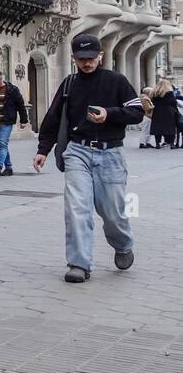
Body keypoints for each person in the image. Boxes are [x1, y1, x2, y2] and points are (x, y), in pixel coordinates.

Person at [34, 33, 143, 283]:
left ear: (100, 56)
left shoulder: (117, 81)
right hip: (77, 152)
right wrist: (43, 149)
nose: (87, 63)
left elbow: (137, 113)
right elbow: (53, 118)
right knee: (76, 208)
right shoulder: (69, 84)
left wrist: (109, 114)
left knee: (112, 213)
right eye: (81, 58)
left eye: (91, 58)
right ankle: (79, 264)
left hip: (111, 153)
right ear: (73, 58)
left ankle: (123, 244)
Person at [147, 78, 177, 149]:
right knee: (170, 128)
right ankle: (172, 144)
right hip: (168, 112)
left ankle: (157, 144)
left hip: (157, 112)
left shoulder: (154, 93)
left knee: (158, 128)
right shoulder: (169, 93)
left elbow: (152, 102)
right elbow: (173, 102)